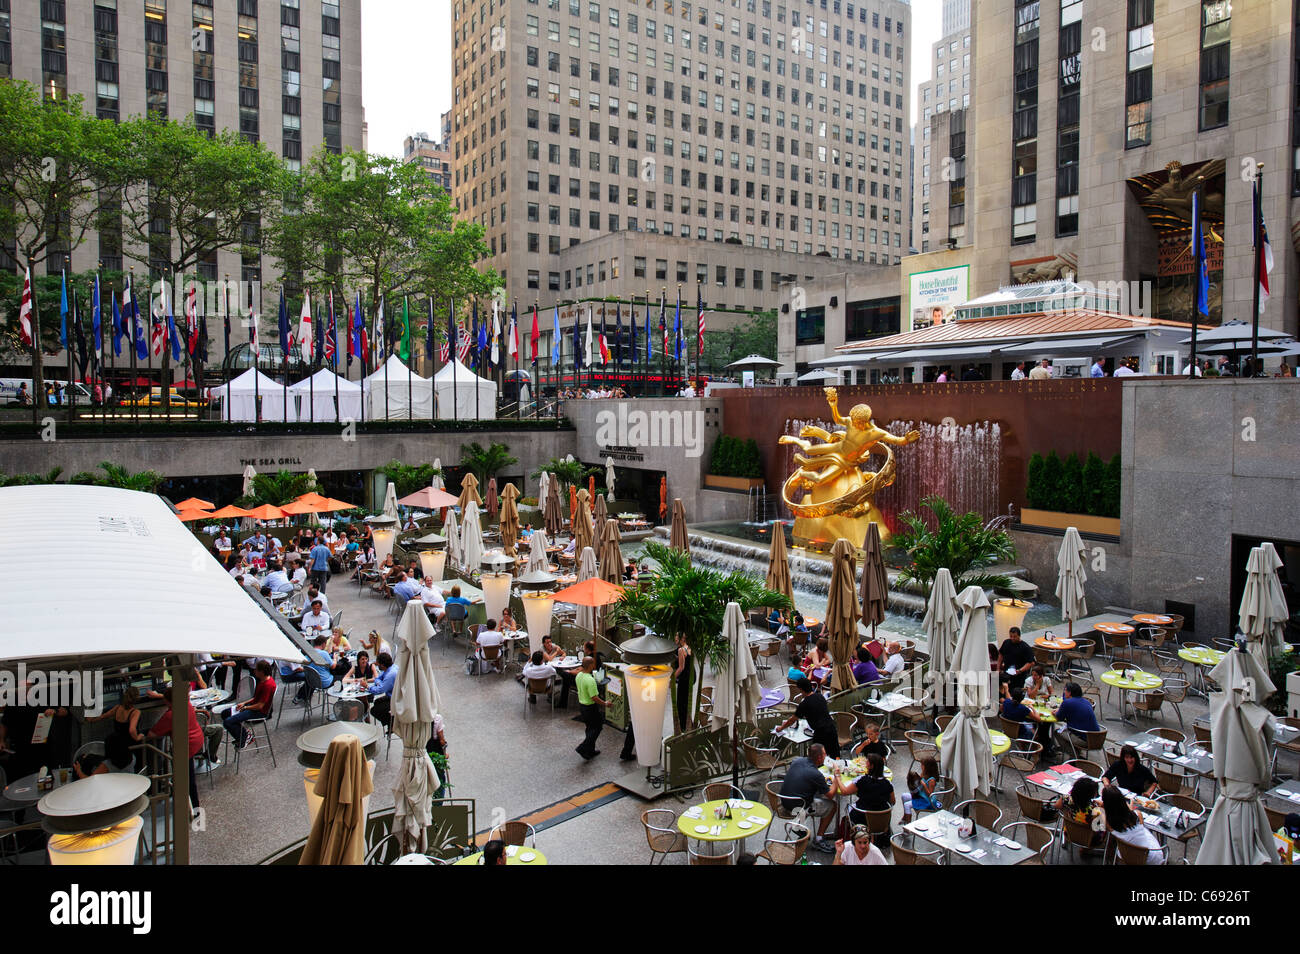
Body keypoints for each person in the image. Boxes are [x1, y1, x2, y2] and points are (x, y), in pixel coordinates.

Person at [147, 690, 204, 813]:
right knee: (186, 775)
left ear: (168, 701)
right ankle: (185, 799)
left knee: (187, 779)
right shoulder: (186, 703)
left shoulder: (170, 715)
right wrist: (159, 695)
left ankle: (194, 809)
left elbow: (152, 734)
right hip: (197, 738)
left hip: (185, 746)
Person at [777, 744, 837, 849]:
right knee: (832, 806)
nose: (826, 755)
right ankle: (819, 839)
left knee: (813, 795)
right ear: (819, 757)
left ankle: (798, 825)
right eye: (824, 754)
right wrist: (837, 776)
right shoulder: (815, 774)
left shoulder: (797, 761)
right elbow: (830, 795)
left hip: (784, 801)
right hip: (797, 807)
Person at [775, 677, 840, 757]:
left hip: (821, 734)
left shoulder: (804, 704)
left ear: (801, 690)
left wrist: (781, 728)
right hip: (832, 729)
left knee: (819, 760)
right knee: (835, 757)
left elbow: (792, 720)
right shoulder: (820, 696)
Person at [1101, 786, 1164, 863]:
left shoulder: (1108, 822)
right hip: (1151, 859)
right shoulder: (1138, 814)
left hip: (1126, 857)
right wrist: (1130, 808)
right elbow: (1132, 815)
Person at [88, 686, 145, 770]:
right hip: (129, 745)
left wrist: (92, 719)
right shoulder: (135, 712)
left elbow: (103, 716)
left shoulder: (117, 708)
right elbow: (132, 730)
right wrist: (138, 737)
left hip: (116, 743)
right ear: (137, 698)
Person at [835, 752, 895, 831]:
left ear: (871, 766)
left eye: (867, 762)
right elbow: (892, 801)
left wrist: (838, 777)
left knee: (848, 807)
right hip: (882, 821)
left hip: (861, 818)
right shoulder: (888, 784)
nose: (865, 764)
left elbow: (844, 791)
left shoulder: (862, 780)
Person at [223, 661, 276, 749]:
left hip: (259, 712)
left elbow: (260, 706)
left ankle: (244, 737)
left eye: (256, 670)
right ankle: (243, 734)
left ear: (261, 672)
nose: (254, 671)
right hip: (253, 707)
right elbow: (256, 697)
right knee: (225, 713)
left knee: (228, 722)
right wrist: (244, 703)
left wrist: (245, 707)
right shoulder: (263, 680)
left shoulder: (268, 685)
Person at [574, 656, 609, 760]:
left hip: (582, 706)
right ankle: (583, 747)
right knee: (598, 727)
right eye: (593, 663)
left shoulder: (579, 675)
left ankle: (590, 750)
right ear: (590, 665)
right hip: (590, 708)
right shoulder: (590, 680)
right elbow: (594, 697)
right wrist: (605, 703)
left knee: (590, 728)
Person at [1052, 775, 1102, 843]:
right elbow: (1099, 829)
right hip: (1087, 839)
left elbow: (1056, 806)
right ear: (1091, 795)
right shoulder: (1096, 811)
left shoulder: (1066, 799)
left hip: (1068, 832)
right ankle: (1084, 850)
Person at [364, 652, 399, 727]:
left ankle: (392, 724)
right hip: (391, 695)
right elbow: (378, 679)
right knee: (377, 702)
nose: (377, 665)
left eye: (378, 663)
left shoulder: (390, 675)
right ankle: (390, 722)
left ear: (382, 665)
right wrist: (380, 683)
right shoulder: (389, 668)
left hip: (395, 699)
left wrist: (367, 686)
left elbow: (379, 690)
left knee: (374, 711)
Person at [673, 633, 692, 730]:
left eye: (677, 636)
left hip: (684, 678)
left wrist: (672, 678)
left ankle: (683, 726)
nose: (675, 638)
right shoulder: (688, 647)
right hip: (690, 677)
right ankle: (687, 724)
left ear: (682, 638)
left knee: (680, 703)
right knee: (685, 701)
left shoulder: (681, 650)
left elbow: (681, 668)